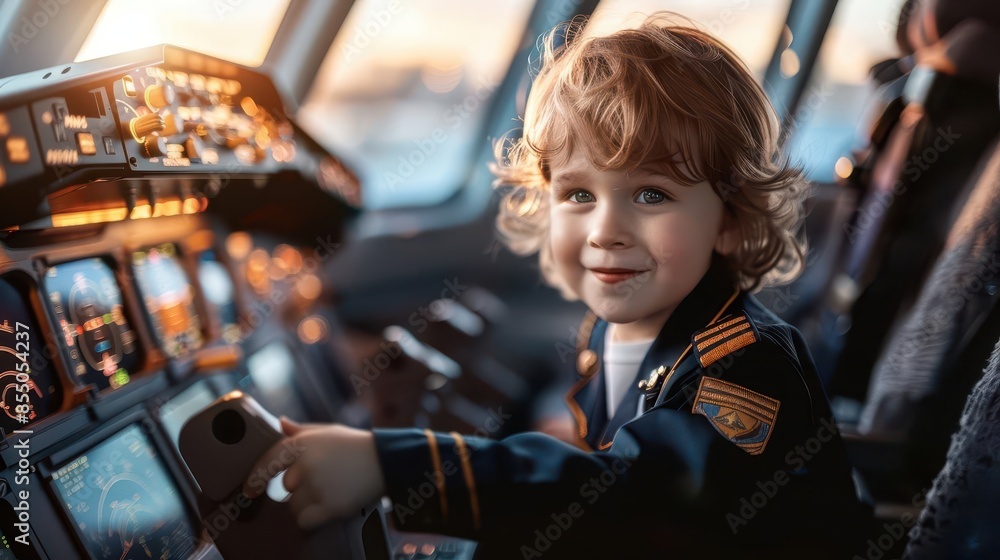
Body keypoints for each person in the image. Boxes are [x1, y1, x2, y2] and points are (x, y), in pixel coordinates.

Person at [245, 14, 867, 558]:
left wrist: (395, 466)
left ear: (730, 221)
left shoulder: (749, 364)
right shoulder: (617, 330)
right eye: (578, 193)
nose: (606, 229)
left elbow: (640, 498)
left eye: (652, 195)